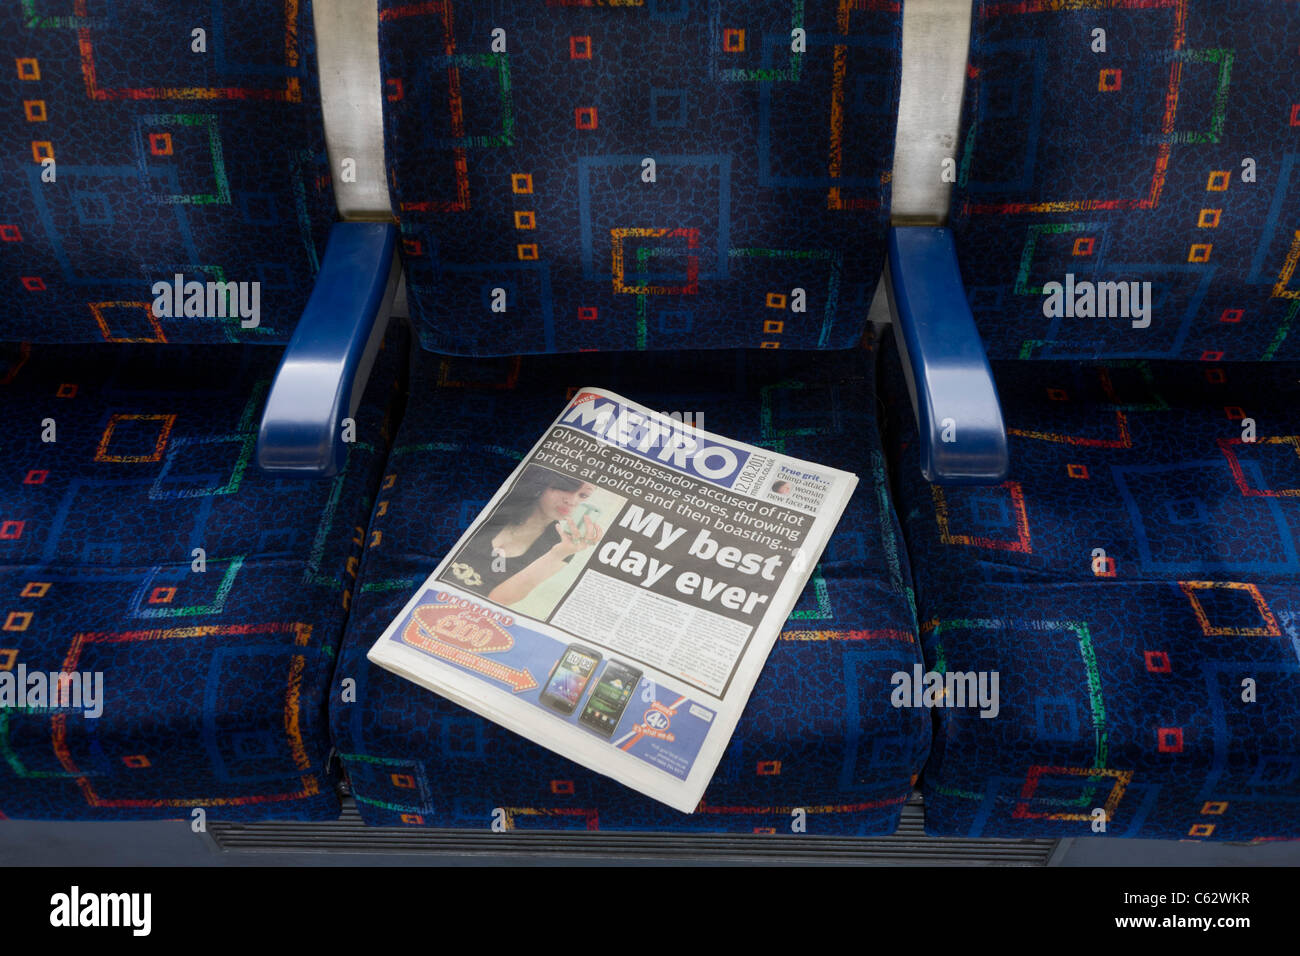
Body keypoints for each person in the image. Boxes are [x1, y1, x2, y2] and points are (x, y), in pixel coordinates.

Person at [448, 466, 605, 608]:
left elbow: (498, 599)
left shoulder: (560, 547)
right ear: (544, 482)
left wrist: (557, 554)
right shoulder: (497, 504)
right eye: (565, 488)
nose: (571, 501)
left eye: (583, 495)